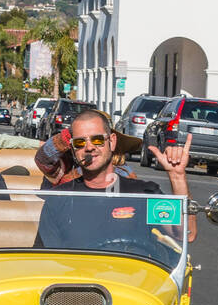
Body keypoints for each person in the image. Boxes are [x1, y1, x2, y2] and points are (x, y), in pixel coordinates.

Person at [34, 107, 197, 251]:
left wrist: (177, 177)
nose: (89, 147)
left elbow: (185, 233)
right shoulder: (59, 199)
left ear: (112, 142)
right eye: (80, 142)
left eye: (97, 140)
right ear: (73, 148)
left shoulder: (143, 193)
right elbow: (45, 260)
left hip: (130, 282)